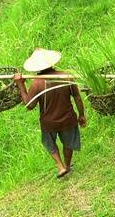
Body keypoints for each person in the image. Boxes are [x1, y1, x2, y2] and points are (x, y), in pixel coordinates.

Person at [14, 48, 87, 179]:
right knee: (68, 142)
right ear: (51, 63)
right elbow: (77, 97)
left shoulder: (36, 83)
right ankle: (67, 166)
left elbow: (29, 105)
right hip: (68, 118)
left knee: (49, 143)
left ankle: (60, 166)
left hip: (49, 123)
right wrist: (81, 115)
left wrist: (20, 85)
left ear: (36, 67)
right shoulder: (66, 76)